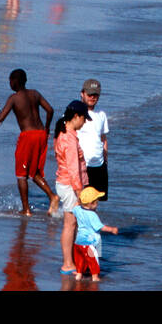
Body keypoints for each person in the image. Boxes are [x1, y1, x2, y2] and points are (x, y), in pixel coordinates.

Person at [0, 68, 57, 216]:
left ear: (14, 82)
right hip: (41, 134)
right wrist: (47, 128)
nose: (9, 83)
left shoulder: (14, 98)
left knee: (21, 174)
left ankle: (26, 209)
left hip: (28, 136)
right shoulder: (35, 93)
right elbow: (50, 110)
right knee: (33, 171)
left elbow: (0, 119)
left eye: (10, 80)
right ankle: (52, 196)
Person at [54, 101, 91, 274]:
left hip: (65, 183)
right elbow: (73, 168)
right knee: (70, 224)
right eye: (84, 119)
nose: (84, 123)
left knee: (72, 223)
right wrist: (80, 192)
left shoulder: (64, 132)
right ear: (76, 117)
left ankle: (72, 261)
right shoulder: (68, 138)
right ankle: (68, 263)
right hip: (70, 185)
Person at [71, 187, 118, 282]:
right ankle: (95, 277)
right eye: (96, 202)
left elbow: (74, 207)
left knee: (80, 259)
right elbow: (101, 227)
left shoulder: (77, 210)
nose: (97, 204)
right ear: (92, 203)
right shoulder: (93, 215)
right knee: (93, 260)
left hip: (78, 242)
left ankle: (79, 275)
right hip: (90, 243)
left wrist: (80, 200)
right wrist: (112, 229)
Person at [77, 79, 109, 201]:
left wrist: (105, 161)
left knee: (94, 201)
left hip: (99, 165)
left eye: (95, 94)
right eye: (89, 94)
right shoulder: (75, 112)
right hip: (81, 165)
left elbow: (103, 138)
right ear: (82, 93)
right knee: (80, 200)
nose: (92, 97)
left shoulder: (101, 115)